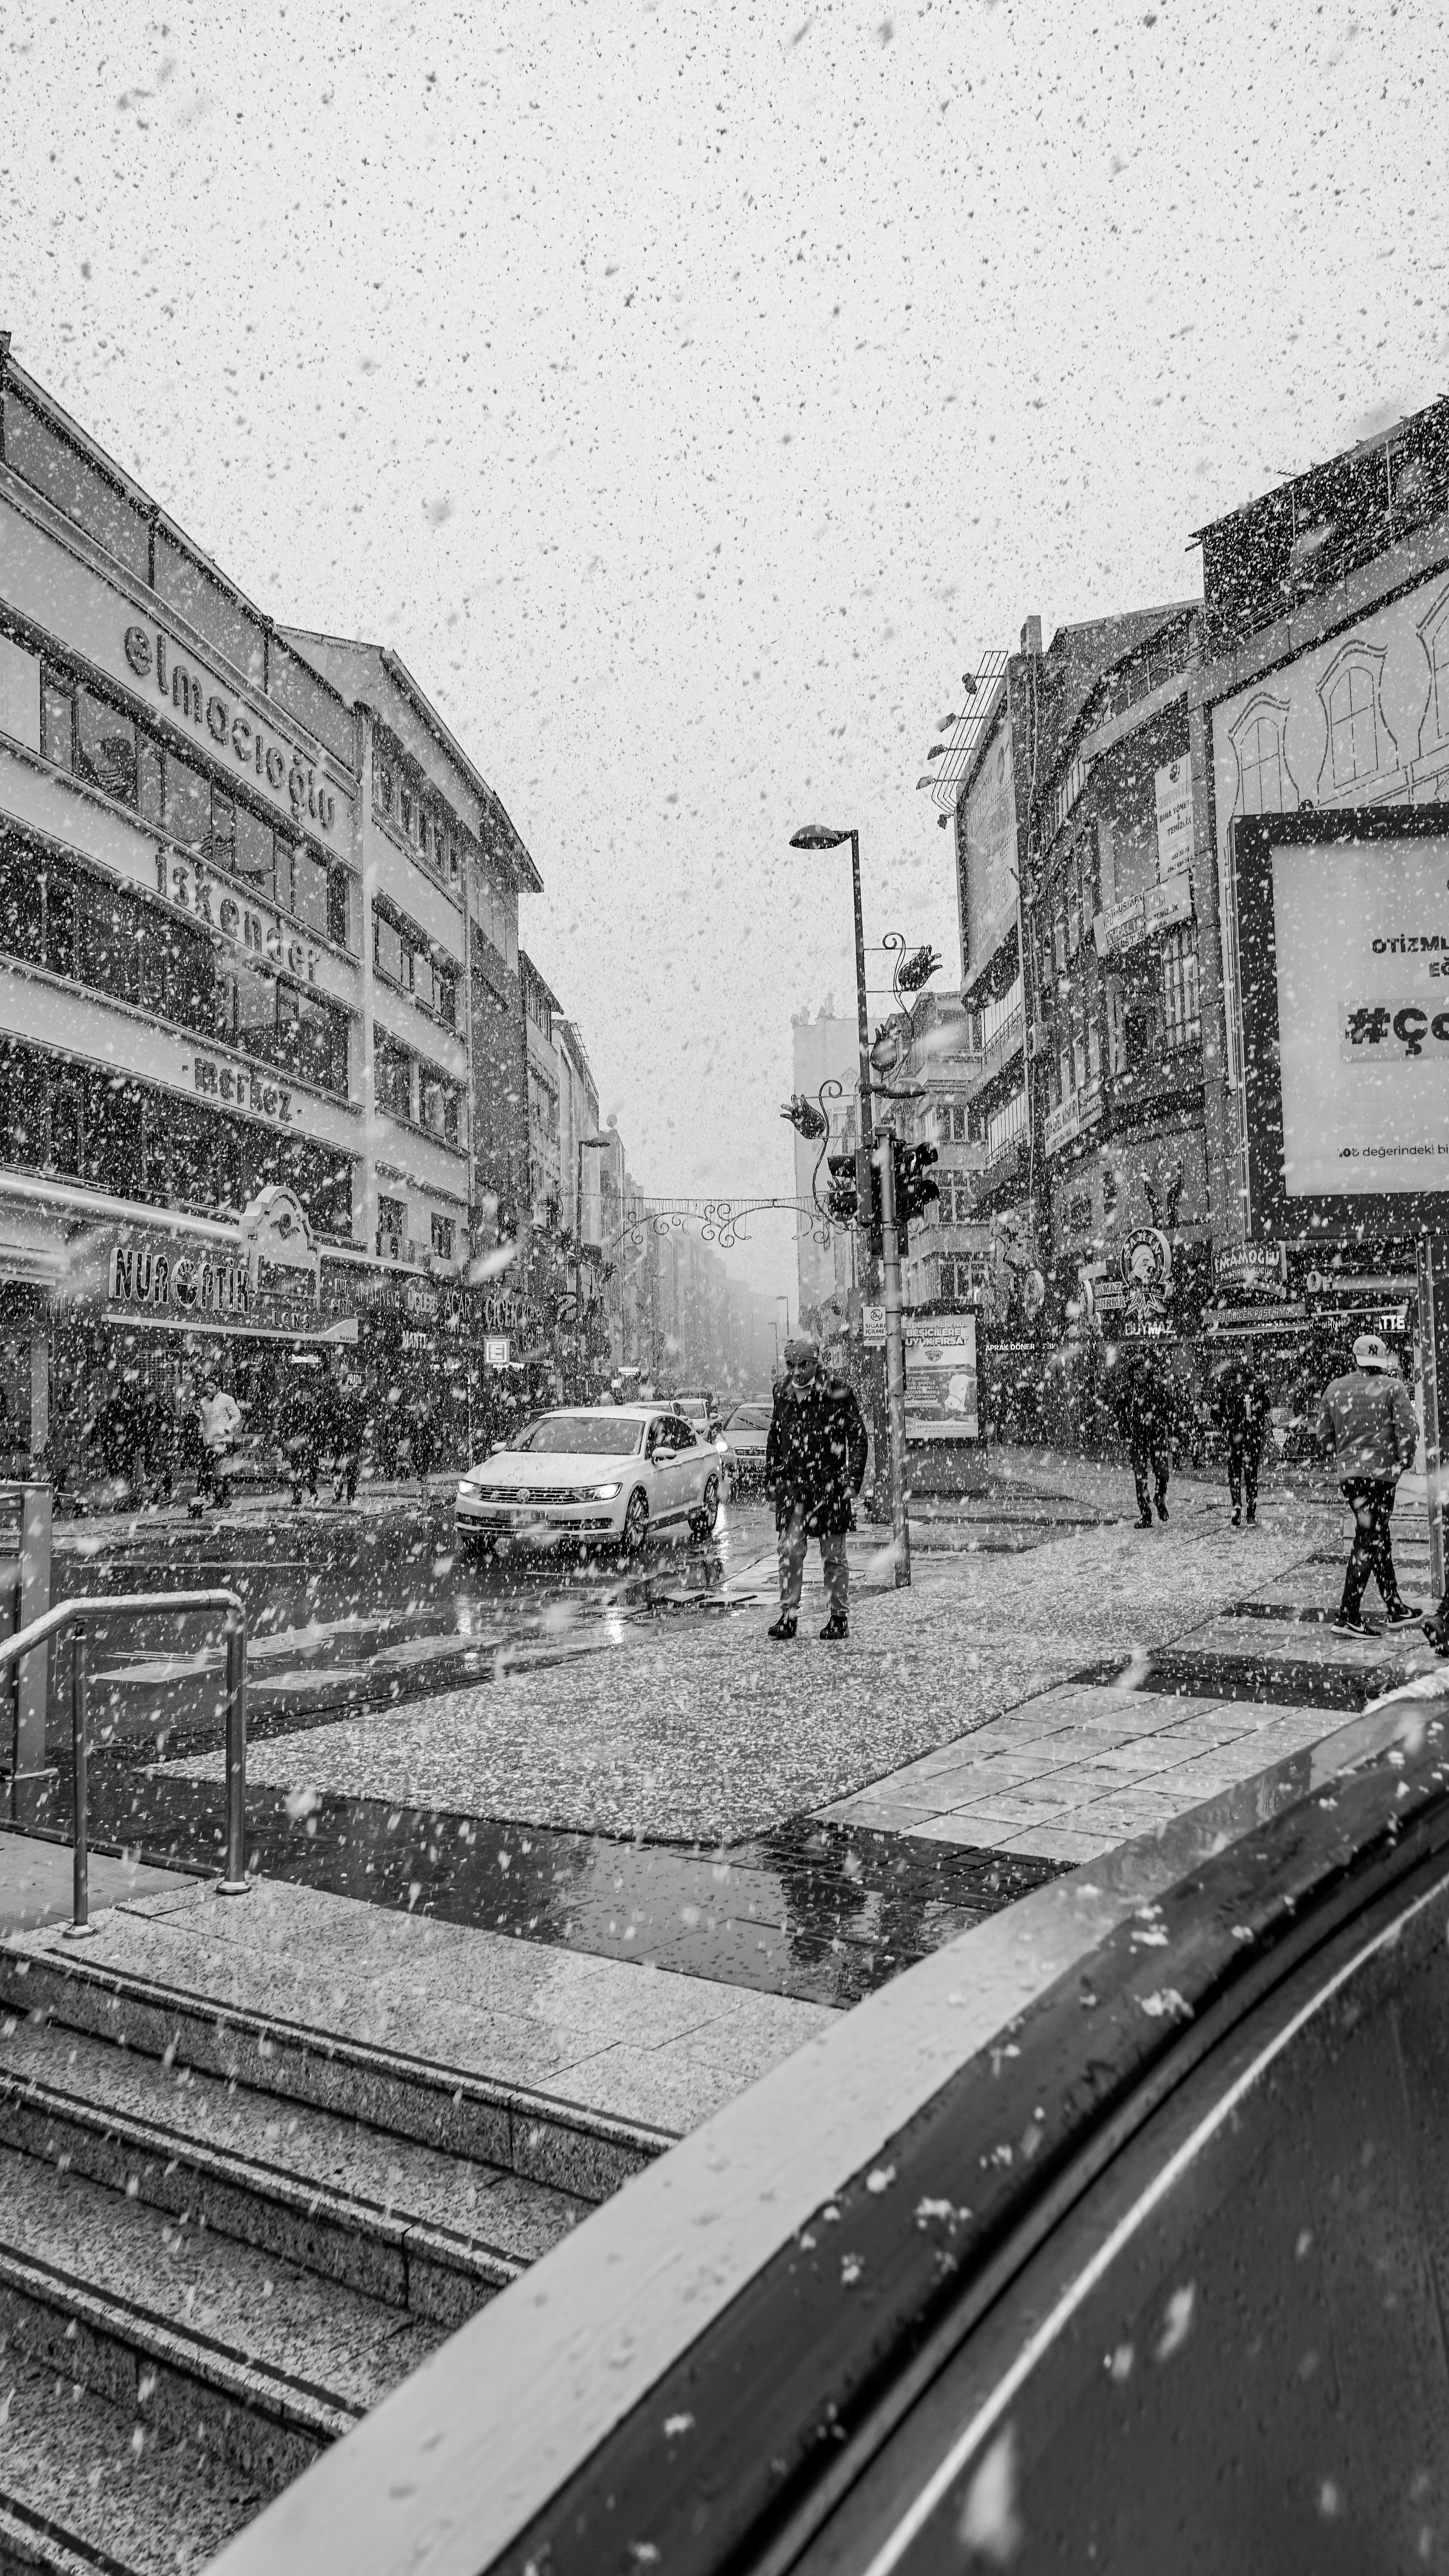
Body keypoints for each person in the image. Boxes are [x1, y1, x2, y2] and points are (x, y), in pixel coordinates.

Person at [763, 1337, 868, 1641]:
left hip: (829, 1486)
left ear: (816, 1363)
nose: (797, 1371)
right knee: (789, 1551)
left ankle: (838, 1617)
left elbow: (858, 1437)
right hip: (794, 1487)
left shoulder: (837, 1391)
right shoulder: (782, 1393)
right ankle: (789, 1615)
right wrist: (772, 1481)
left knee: (833, 1554)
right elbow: (775, 1436)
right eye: (792, 1365)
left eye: (803, 1364)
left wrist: (852, 1480)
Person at [1316, 1334, 1420, 1634]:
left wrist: (1345, 1456)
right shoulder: (1394, 1388)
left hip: (1351, 1478)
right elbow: (1408, 1431)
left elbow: (1324, 1436)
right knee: (1369, 1541)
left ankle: (1395, 1606)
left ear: (1355, 1358)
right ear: (1382, 1360)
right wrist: (1404, 1462)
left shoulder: (1335, 1389)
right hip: (1382, 1476)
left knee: (1376, 1537)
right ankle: (1348, 1615)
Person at [1113, 1348, 1174, 1530]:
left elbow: (1169, 1410)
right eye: (1137, 1374)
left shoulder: (1158, 1387)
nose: (1140, 1377)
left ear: (1149, 1372)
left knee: (1163, 1474)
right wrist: (1126, 1434)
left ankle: (1159, 1498)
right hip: (1137, 1441)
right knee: (1140, 1479)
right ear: (1132, 1374)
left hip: (1156, 1438)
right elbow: (1118, 1415)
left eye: (1143, 1374)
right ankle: (1145, 1514)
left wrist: (1157, 1420)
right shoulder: (1126, 1391)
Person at [1211, 1354, 1271, 1528]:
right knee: (1252, 1475)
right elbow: (1265, 1409)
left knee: (1235, 1473)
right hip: (1253, 1437)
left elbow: (1215, 1412)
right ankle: (1251, 1514)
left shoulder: (1226, 1388)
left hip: (1236, 1437)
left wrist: (1226, 1427)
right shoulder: (1258, 1389)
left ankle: (1237, 1503)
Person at [192, 1375, 242, 1514]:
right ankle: (218, 1498)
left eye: (211, 1387)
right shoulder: (203, 1401)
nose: (209, 1390)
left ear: (218, 1387)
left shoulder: (227, 1399)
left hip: (224, 1440)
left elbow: (237, 1416)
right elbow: (203, 1419)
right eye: (207, 1387)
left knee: (221, 1470)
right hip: (209, 1441)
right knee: (209, 1471)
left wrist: (227, 1429)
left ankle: (223, 1498)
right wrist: (202, 1432)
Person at [329, 1368, 369, 1505]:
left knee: (351, 1470)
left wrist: (353, 1432)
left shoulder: (357, 1405)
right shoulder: (335, 1405)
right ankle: (338, 1492)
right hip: (339, 1443)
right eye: (341, 1394)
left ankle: (350, 1495)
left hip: (351, 1443)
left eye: (345, 1394)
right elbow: (331, 1423)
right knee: (338, 1471)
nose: (343, 1396)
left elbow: (362, 1423)